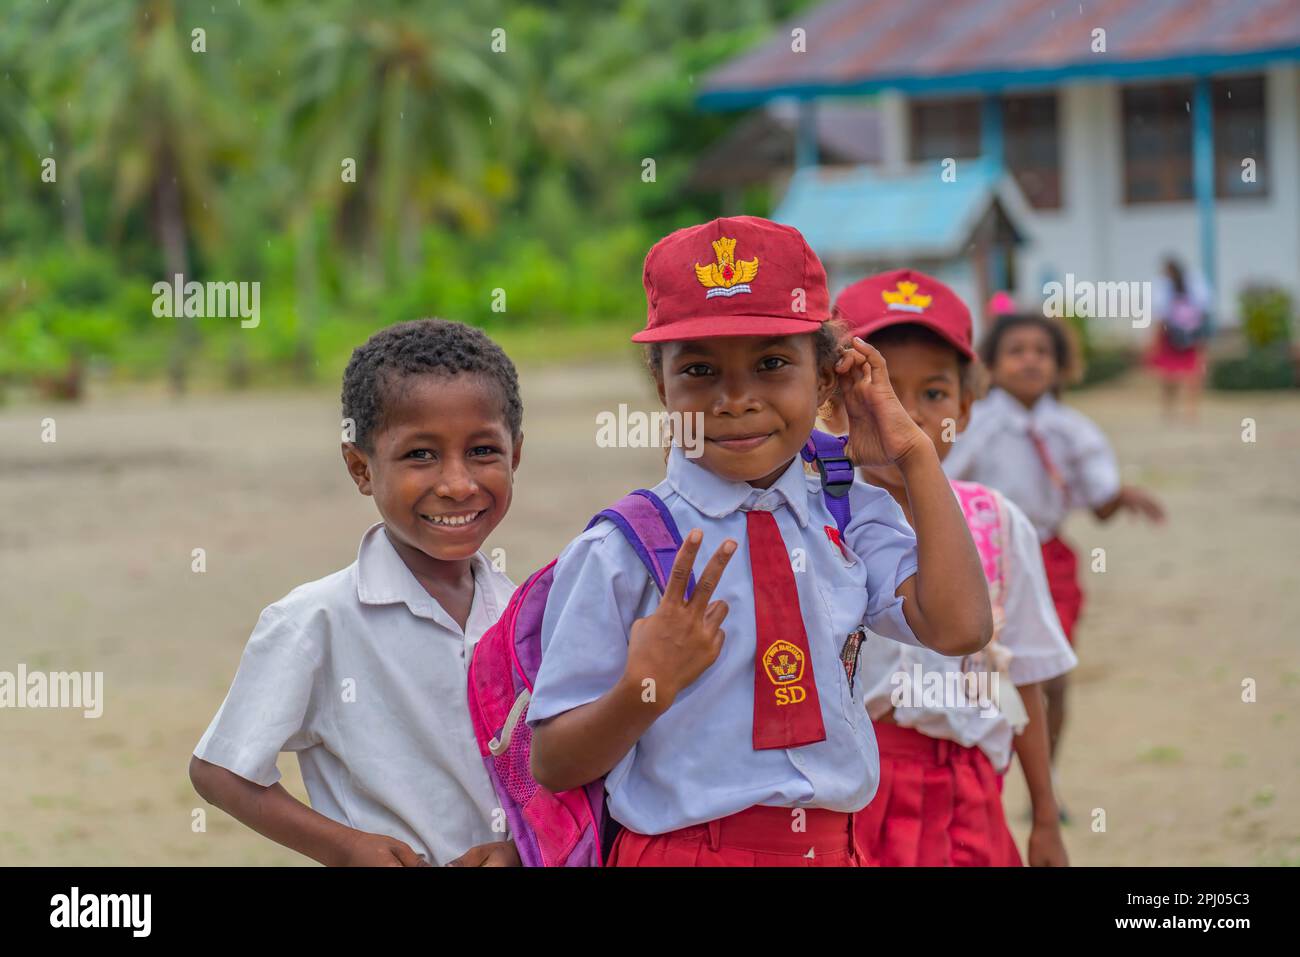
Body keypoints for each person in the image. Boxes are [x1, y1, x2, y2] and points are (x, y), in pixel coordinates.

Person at [527, 216, 992, 866]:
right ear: (662, 387)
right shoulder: (623, 546)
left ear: (827, 379)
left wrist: (913, 454)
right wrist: (646, 683)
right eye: (699, 370)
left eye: (772, 363)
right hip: (685, 851)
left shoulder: (847, 508)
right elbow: (551, 760)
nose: (736, 398)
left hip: (834, 847)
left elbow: (960, 626)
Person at [189, 319, 523, 867]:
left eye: (483, 450)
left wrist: (522, 851)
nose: (458, 483)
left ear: (517, 455)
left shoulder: (528, 613)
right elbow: (220, 769)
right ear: (360, 467)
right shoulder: (317, 620)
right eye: (421, 455)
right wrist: (345, 847)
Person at [822, 270, 1076, 866]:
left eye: (934, 395)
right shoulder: (818, 523)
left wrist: (1044, 817)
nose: (903, 416)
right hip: (856, 796)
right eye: (876, 389)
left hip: (971, 799)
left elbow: (1027, 677)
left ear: (967, 406)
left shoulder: (997, 521)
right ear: (831, 406)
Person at [944, 312, 1164, 810]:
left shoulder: (1072, 430)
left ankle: (1047, 780)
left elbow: (1100, 505)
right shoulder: (974, 424)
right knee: (985, 675)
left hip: (1049, 558)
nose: (1030, 360)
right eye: (1016, 350)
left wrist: (1120, 497)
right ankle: (983, 782)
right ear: (992, 365)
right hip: (983, 557)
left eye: (1041, 352)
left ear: (1059, 365)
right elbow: (943, 481)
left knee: (1053, 676)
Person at [1148, 256, 1212, 422]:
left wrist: (1154, 339)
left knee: (1173, 373)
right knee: (1187, 373)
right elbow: (1204, 310)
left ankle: (1175, 409)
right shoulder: (1194, 283)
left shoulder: (1171, 285)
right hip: (1188, 333)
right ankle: (1189, 410)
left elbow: (1160, 315)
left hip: (1173, 333)